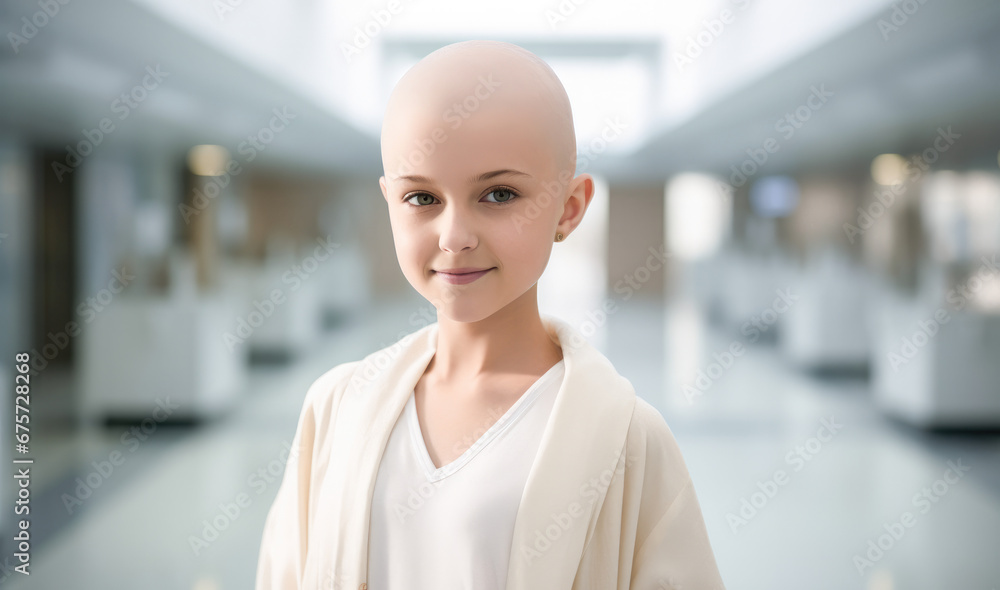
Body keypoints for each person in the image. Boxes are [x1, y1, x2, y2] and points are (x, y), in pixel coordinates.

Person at [255, 39, 726, 590]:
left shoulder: (631, 441)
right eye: (421, 198)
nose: (454, 237)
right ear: (389, 202)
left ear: (569, 208)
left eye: (499, 195)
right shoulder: (336, 406)